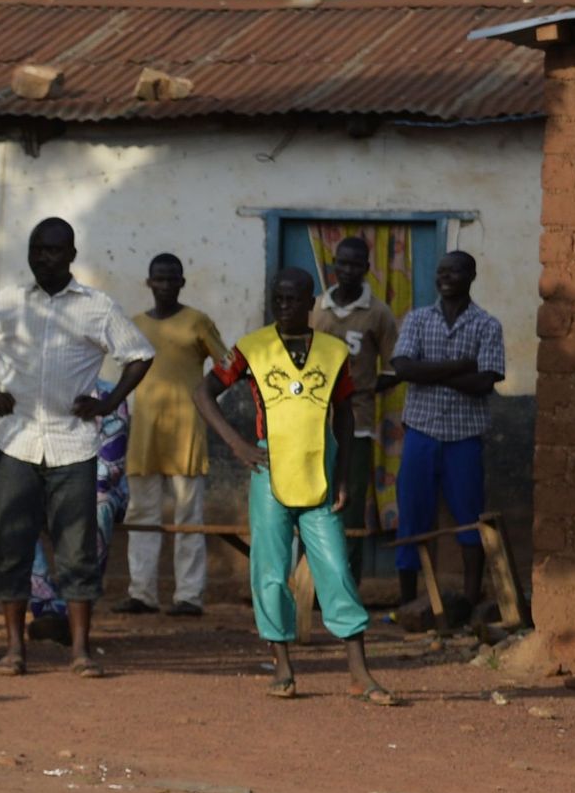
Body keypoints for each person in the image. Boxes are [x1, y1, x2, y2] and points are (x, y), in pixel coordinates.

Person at [0, 217, 154, 678]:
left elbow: (140, 354)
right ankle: (14, 650)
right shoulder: (7, 303)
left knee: (77, 550)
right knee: (12, 546)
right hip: (14, 442)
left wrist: (109, 403)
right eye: (37, 249)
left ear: (72, 255)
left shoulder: (97, 308)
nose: (44, 257)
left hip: (73, 445)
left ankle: (80, 651)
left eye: (54, 250)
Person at [192, 268, 394, 705]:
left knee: (336, 567)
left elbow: (345, 412)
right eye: (278, 299)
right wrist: (237, 444)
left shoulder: (333, 351)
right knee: (269, 569)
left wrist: (343, 474)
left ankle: (359, 673)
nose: (284, 306)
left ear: (310, 303)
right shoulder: (251, 348)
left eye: (293, 299)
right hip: (270, 469)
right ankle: (283, 666)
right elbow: (203, 392)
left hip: (319, 468)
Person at [389, 251, 504, 615]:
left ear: (471, 275)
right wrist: (460, 367)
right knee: (412, 515)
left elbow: (484, 383)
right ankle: (407, 603)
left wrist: (430, 371)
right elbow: (404, 368)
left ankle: (468, 602)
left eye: (454, 271)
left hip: (464, 437)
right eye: (441, 272)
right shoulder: (418, 319)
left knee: (470, 518)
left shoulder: (487, 325)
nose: (445, 277)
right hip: (420, 433)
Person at [116, 253, 223, 617]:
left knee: (188, 516)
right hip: (145, 433)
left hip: (187, 430)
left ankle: (189, 595)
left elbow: (226, 367)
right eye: (158, 279)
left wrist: (205, 399)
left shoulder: (198, 322)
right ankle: (142, 593)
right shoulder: (134, 325)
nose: (164, 285)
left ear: (182, 283)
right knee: (141, 514)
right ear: (148, 283)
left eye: (171, 279)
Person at [311, 236, 400, 582]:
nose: (347, 270)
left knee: (349, 502)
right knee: (314, 499)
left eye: (355, 264)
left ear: (366, 268)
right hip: (316, 421)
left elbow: (393, 369)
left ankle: (348, 583)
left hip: (358, 422)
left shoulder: (378, 313)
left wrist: (359, 389)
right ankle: (314, 581)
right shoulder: (318, 308)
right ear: (333, 265)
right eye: (342, 263)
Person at [29, 378, 129, 642]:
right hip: (51, 486)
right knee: (19, 508)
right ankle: (45, 606)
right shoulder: (41, 389)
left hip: (99, 487)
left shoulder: (107, 394)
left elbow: (112, 464)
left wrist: (69, 493)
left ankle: (74, 608)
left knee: (99, 506)